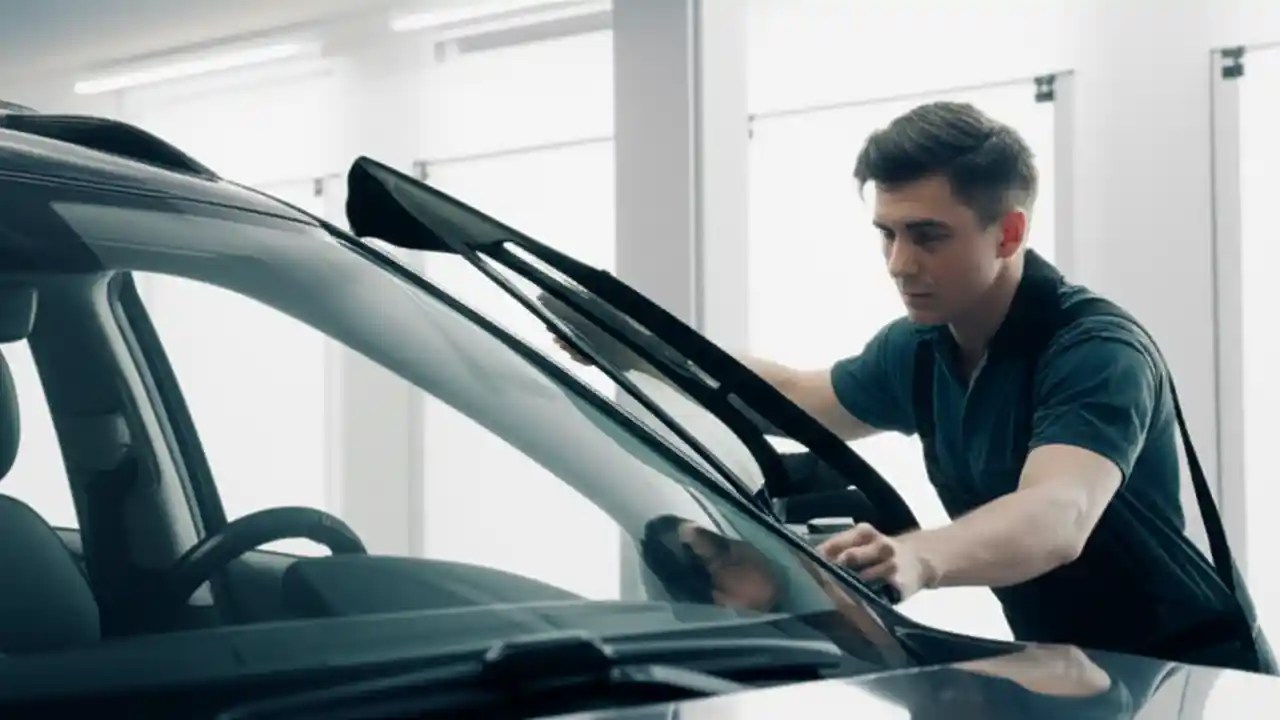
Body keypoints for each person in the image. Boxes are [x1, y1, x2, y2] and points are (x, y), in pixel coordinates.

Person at [550, 100, 1273, 673]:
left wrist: (918, 557)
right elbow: (798, 399)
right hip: (1073, 672)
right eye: (886, 234)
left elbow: (1058, 514)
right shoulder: (922, 347)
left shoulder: (1095, 348)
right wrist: (644, 353)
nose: (899, 263)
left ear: (1009, 232)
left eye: (928, 236)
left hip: (1192, 679)